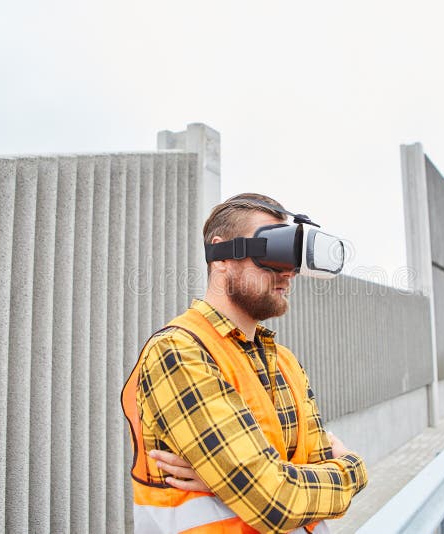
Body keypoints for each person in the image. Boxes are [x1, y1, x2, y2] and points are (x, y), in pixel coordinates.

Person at [121, 193, 368, 533]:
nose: (288, 273)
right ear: (222, 256)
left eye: (292, 258)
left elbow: (281, 482)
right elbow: (276, 502)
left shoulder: (284, 362)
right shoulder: (179, 352)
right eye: (274, 251)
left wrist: (235, 483)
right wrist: (353, 469)